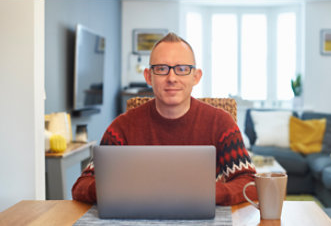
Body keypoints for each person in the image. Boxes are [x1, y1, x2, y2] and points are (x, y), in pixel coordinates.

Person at [72, 32, 257, 206]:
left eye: (182, 69)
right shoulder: (122, 127)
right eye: (161, 69)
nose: (172, 78)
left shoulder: (221, 123)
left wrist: (209, 193)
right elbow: (82, 185)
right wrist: (115, 191)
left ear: (196, 77)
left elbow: (250, 184)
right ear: (148, 77)